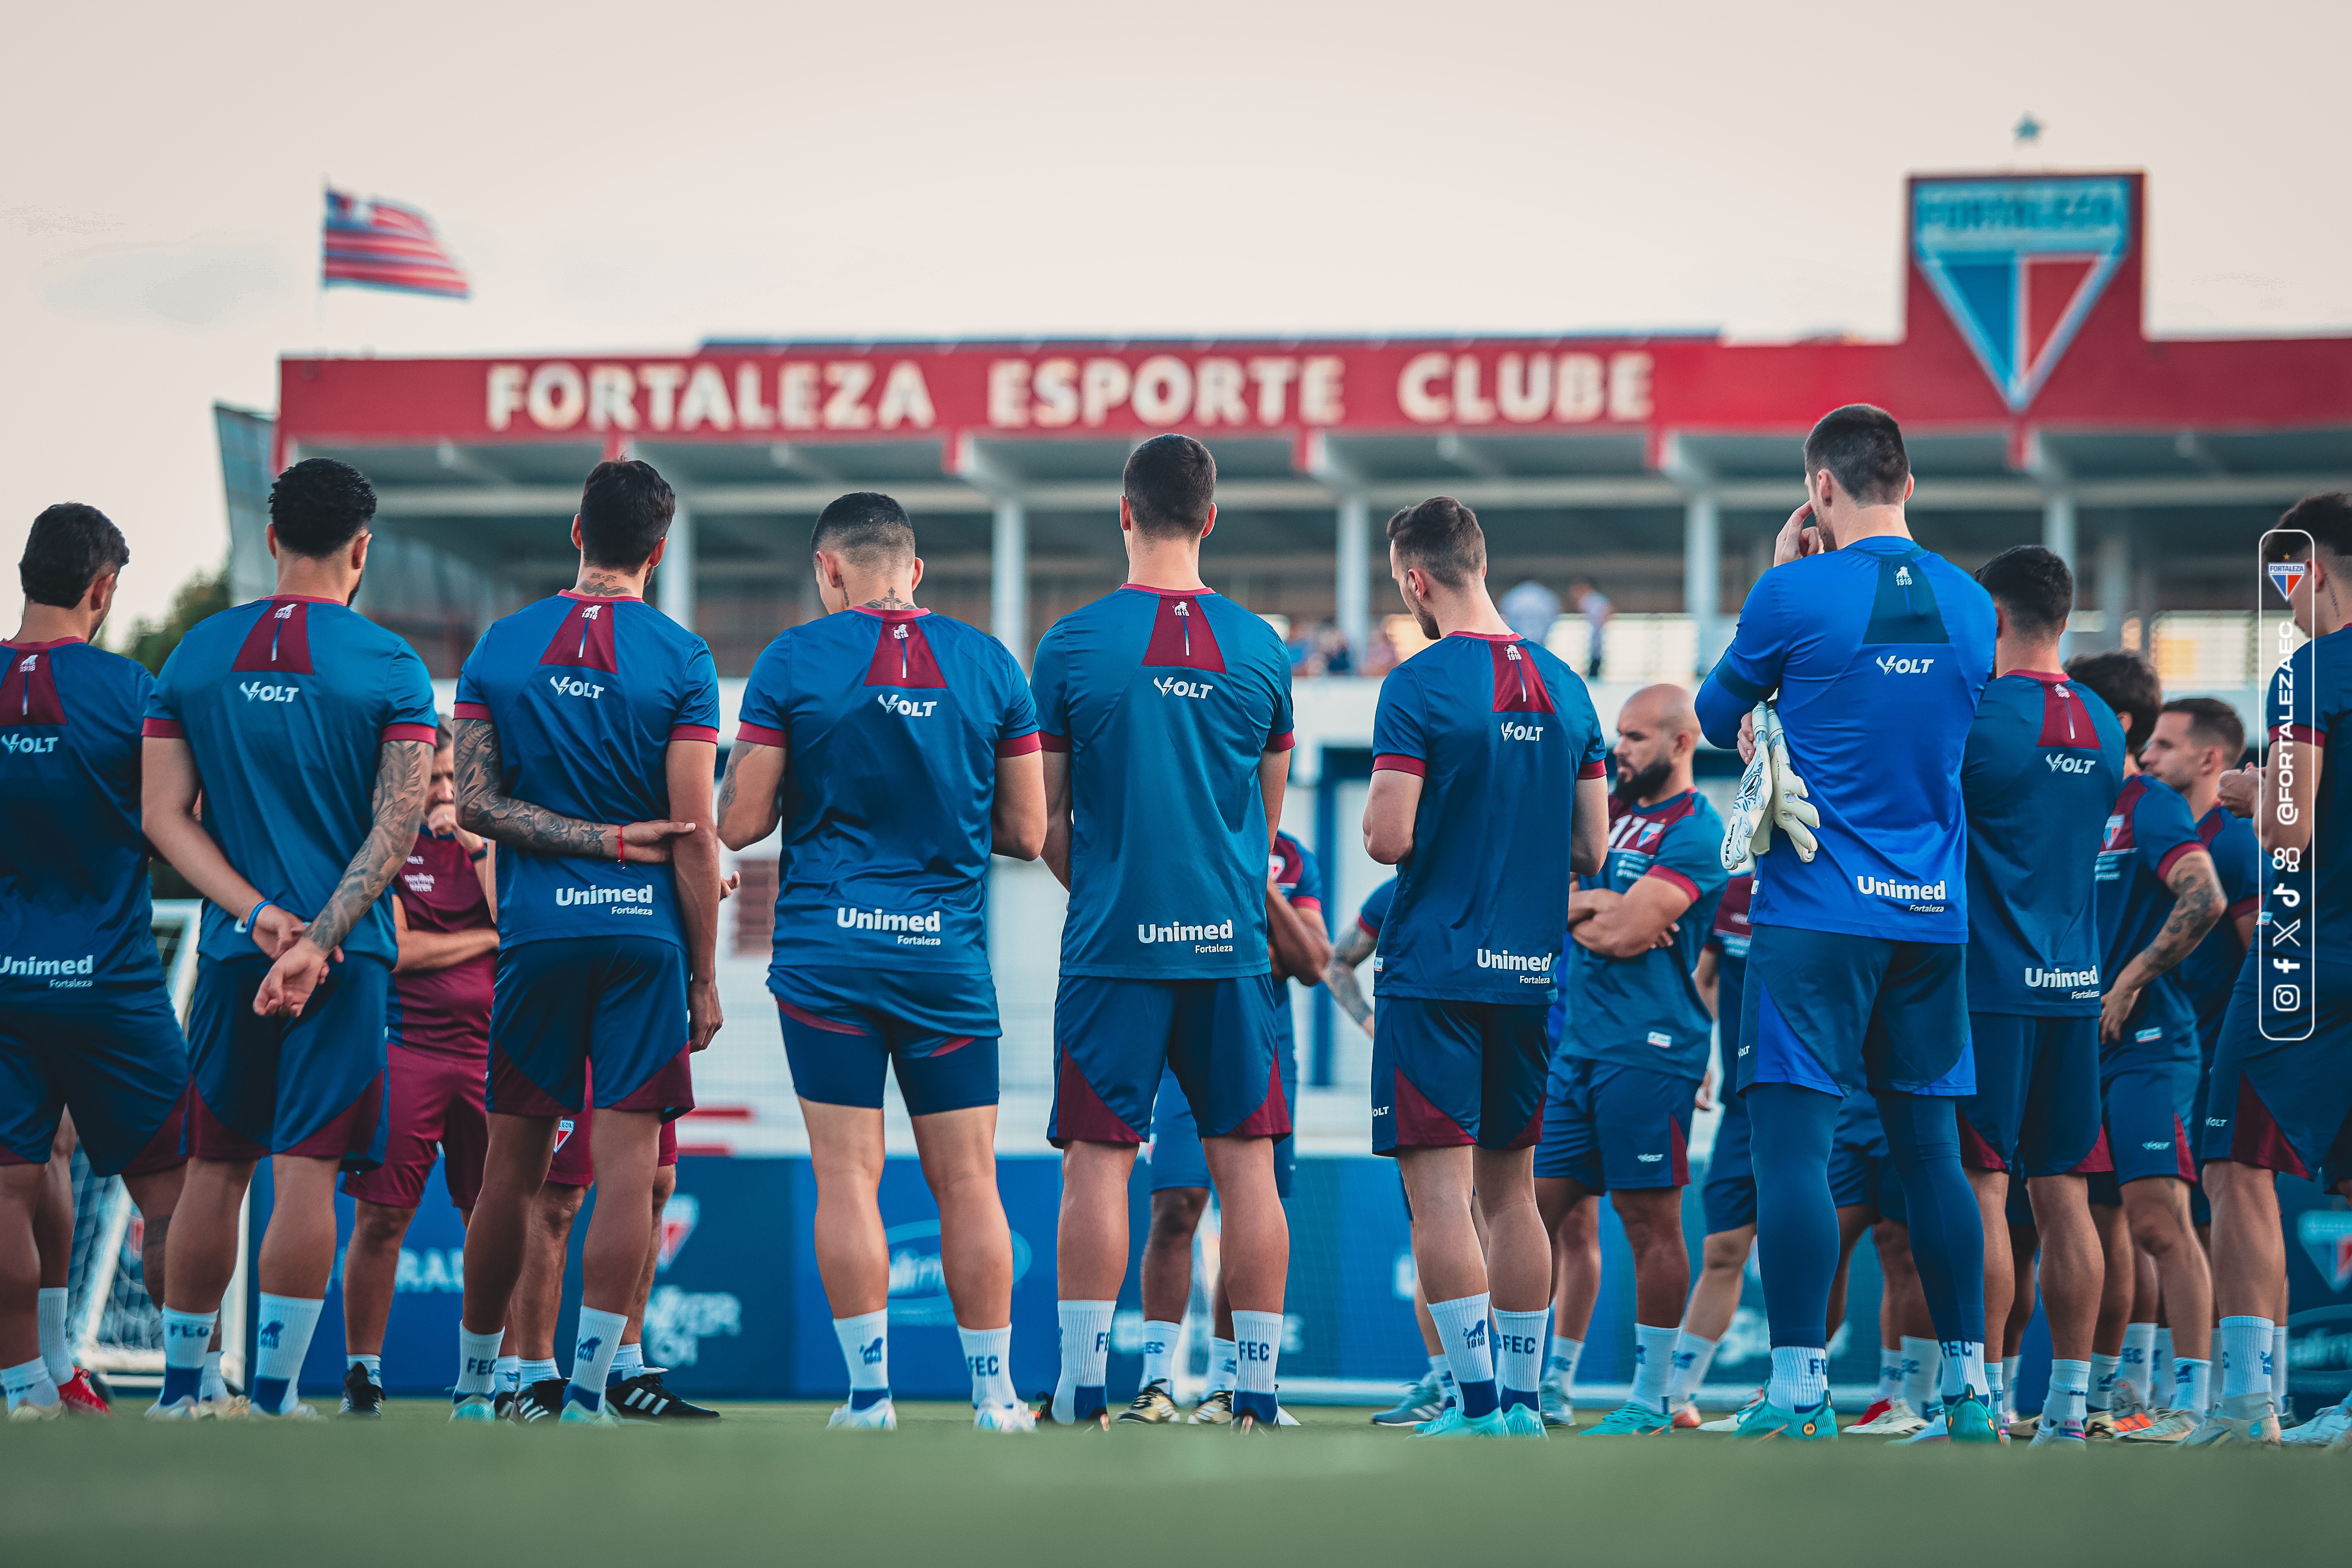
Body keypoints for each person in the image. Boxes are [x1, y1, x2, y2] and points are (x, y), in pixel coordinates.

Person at [1692, 404, 1999, 1442]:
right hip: (1932, 918)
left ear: (1820, 489)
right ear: (1906, 481)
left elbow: (1711, 713)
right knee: (1932, 1157)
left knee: (1793, 1151)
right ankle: (1970, 1390)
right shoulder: (1972, 604)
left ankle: (1799, 1391)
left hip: (1817, 915)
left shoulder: (1794, 588)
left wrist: (1777, 574)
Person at [716, 490, 1044, 1433]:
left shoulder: (792, 658)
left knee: (848, 1179)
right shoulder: (989, 664)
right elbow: (1025, 831)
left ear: (827, 570)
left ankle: (869, 1398)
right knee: (969, 1181)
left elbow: (739, 825)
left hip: (828, 957)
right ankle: (995, 1397)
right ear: (915, 570)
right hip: (944, 960)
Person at [141, 460, 439, 1419]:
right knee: (305, 1170)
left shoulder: (193, 654)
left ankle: (184, 1393)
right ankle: (272, 1398)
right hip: (343, 961)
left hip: (237, 953)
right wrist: (317, 935)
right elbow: (396, 831)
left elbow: (164, 815)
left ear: (272, 540)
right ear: (362, 549)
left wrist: (256, 916)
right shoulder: (392, 665)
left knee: (215, 1169)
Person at [447, 458, 725, 1424]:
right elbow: (694, 837)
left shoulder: (501, 645)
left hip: (536, 941)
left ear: (576, 530)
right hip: (643, 939)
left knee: (508, 1175)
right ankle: (593, 1388)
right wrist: (704, 976)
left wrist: (577, 842)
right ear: (658, 549)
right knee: (628, 1173)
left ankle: (479, 1391)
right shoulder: (685, 659)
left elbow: (473, 806)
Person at [1031, 435, 1297, 1433]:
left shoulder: (1070, 642)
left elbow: (1041, 821)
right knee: (1247, 1170)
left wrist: (1102, 882)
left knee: (1098, 1165)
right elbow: (1262, 823)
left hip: (1113, 947)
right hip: (1230, 951)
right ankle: (1258, 1396)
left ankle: (1083, 1394)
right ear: (1213, 518)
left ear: (1124, 512)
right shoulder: (1262, 647)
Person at [1365, 495, 1609, 1439]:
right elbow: (1592, 850)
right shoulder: (1569, 687)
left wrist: (1379, 820)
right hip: (1530, 975)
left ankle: (1473, 1405)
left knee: (1440, 1197)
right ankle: (1518, 1399)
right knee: (1512, 1197)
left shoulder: (1418, 682)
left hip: (1434, 970)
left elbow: (1389, 838)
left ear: (1418, 579)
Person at [0, 505, 191, 1419]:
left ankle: (29, 1382)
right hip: (111, 983)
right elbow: (176, 822)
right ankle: (191, 1387)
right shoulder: (132, 689)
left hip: (5, 983)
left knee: (16, 1173)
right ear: (101, 588)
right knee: (178, 1191)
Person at [1950, 546, 2124, 1447]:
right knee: (2064, 1196)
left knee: (1982, 1193)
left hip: (1987, 988)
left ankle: (1972, 1403)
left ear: (1992, 616)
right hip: (2073, 985)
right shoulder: (2103, 719)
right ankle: (2068, 1405)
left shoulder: (1978, 715)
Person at [2200, 494, 2352, 1448]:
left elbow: (2289, 831)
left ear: (2317, 570)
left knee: (2231, 1161)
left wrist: (2249, 791)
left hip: (2315, 957)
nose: (2285, 599)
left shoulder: (2307, 674)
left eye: (2284, 579)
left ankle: (2246, 1403)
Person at [1534, 685, 1726, 1436]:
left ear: (1682, 744)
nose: (1620, 748)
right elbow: (1560, 903)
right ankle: (1519, 1385)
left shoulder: (1698, 829)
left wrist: (1599, 910)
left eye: (1637, 737)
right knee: (1529, 1215)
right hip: (1576, 1047)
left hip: (1650, 1050)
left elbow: (1622, 934)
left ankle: (1652, 1396)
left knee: (1650, 1225)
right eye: (1619, 734)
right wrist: (1600, 908)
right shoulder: (1604, 813)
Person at [2062, 649, 2222, 1435]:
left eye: (2071, 702)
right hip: (2077, 1045)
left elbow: (2207, 894)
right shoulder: (2067, 806)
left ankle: (2191, 1401)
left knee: (2159, 1220)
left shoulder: (2147, 802)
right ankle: (2108, 1398)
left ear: (2114, 722)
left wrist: (2128, 979)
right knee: (2101, 1225)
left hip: (2149, 1040)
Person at [1124, 829, 1329, 1425]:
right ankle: (1156, 1382)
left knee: (1249, 1209)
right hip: (1186, 1047)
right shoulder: (1181, 833)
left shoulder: (1292, 858)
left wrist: (1258, 884)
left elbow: (1311, 963)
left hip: (1268, 1051)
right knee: (1177, 1205)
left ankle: (1226, 1385)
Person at [334, 721, 496, 1416]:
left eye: (453, 778)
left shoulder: (494, 847)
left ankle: (490, 1377)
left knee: (494, 1222)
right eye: (430, 779)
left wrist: (476, 842)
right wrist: (485, 940)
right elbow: (398, 951)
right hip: (409, 1051)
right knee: (381, 1220)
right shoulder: (389, 851)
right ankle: (363, 1376)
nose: (442, 792)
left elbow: (521, 923)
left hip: (494, 1058)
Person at [1329, 877, 1464, 1429]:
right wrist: (1371, 1022)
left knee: (1498, 1224)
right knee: (1434, 1231)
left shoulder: (1501, 871)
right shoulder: (1395, 892)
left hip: (1502, 1068)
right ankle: (1452, 1384)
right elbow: (1338, 963)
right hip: (1418, 1076)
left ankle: (1512, 1385)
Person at [504, 1086, 709, 1422]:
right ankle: (535, 1380)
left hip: (647, 1040)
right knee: (558, 1195)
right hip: (575, 1042)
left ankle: (622, 1372)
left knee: (655, 1184)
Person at [2142, 699, 2261, 1250]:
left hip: (2219, 1067)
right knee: (2163, 1231)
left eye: (2165, 746)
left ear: (2211, 758)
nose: (2147, 757)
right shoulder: (2154, 837)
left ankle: (2249, 1343)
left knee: (2224, 1224)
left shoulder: (2234, 842)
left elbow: (2268, 958)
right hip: (2162, 1063)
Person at [1567, 580, 1612, 680]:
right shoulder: (1598, 600)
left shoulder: (1590, 601)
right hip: (1595, 644)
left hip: (1595, 644)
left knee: (1594, 668)